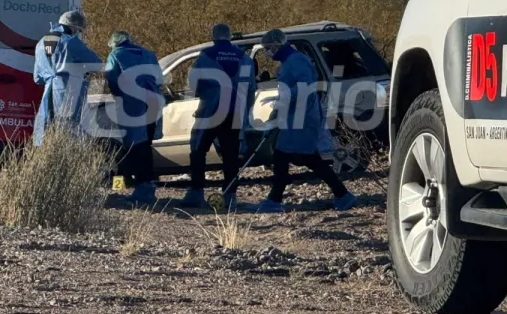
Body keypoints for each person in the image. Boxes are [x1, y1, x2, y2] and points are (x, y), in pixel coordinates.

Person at [255, 28, 357, 213]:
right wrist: (273, 119)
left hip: (304, 118)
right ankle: (342, 194)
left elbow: (305, 87)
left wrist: (284, 98)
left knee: (286, 156)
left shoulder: (297, 60)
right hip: (295, 118)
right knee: (306, 157)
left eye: (269, 48)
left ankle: (274, 200)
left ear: (278, 44)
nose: (268, 52)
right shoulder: (287, 63)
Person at [181, 23, 256, 209]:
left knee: (198, 150)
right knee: (231, 155)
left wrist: (204, 94)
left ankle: (196, 192)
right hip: (235, 111)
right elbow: (251, 87)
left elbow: (194, 83)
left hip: (211, 110)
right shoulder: (244, 57)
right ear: (229, 36)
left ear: (213, 36)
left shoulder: (206, 55)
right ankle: (230, 195)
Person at [104, 30, 165, 204]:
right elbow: (159, 79)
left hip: (133, 104)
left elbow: (113, 80)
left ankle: (140, 189)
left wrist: (119, 97)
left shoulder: (116, 55)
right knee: (146, 145)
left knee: (135, 146)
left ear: (114, 43)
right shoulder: (148, 53)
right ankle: (147, 186)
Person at [32, 9, 102, 146]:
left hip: (48, 94)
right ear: (74, 26)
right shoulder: (71, 42)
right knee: (68, 134)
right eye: (79, 30)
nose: (78, 33)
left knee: (45, 133)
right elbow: (97, 64)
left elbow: (37, 78)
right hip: (68, 91)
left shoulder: (40, 43)